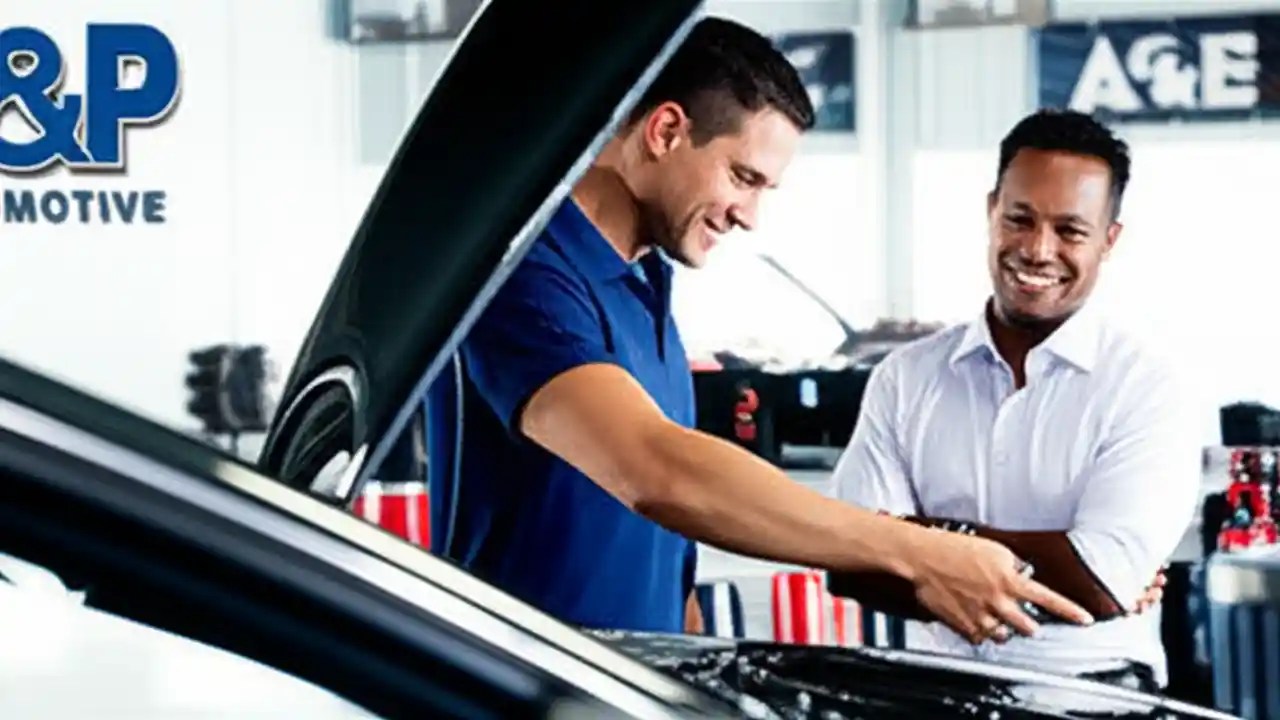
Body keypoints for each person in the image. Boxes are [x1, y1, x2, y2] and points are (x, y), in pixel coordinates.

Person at [425, 17, 1093, 641]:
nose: (749, 215)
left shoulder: (647, 280)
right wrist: (915, 553)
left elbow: (662, 542)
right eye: (742, 177)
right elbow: (655, 471)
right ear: (665, 131)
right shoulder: (525, 278)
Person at [828, 109, 1200, 692]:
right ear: (990, 212)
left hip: (1095, 699)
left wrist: (913, 540)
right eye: (1019, 219)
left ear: (1109, 241)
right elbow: (854, 565)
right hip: (937, 693)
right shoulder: (905, 377)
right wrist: (1053, 563)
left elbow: (1101, 582)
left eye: (1070, 231)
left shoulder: (1149, 387)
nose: (1037, 249)